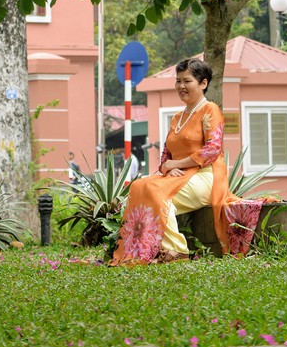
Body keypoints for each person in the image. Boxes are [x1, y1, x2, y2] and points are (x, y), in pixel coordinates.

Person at [111, 58, 263, 264]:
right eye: (178, 81)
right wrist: (167, 169)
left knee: (157, 193)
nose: (181, 86)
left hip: (207, 176)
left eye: (187, 81)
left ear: (203, 83)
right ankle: (143, 251)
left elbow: (212, 149)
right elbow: (166, 153)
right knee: (138, 186)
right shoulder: (178, 116)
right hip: (180, 175)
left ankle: (177, 252)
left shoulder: (210, 110)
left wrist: (177, 165)